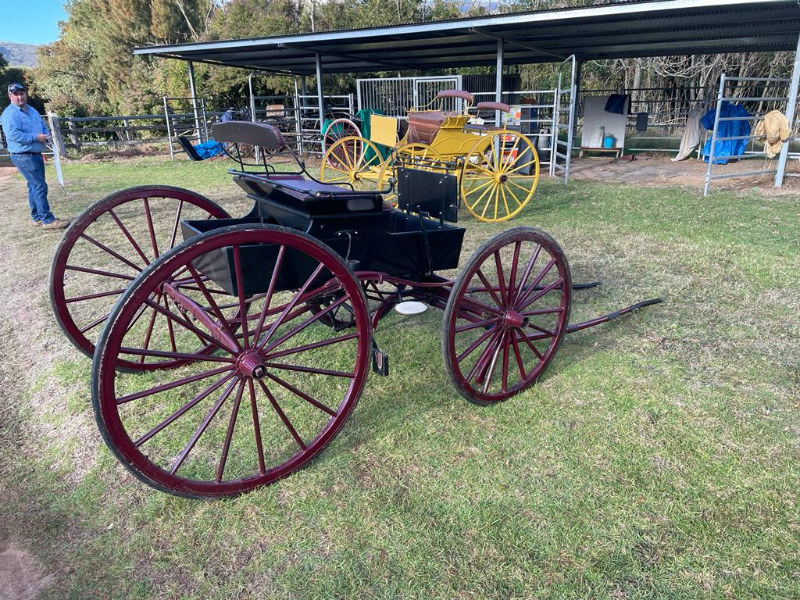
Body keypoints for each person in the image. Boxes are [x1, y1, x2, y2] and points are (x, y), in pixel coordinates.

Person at [1, 82, 69, 230]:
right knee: (39, 185)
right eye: (16, 94)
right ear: (10, 96)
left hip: (35, 154)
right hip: (23, 155)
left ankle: (37, 217)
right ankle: (47, 219)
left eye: (22, 93)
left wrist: (46, 135)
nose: (20, 97)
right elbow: (13, 135)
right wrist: (36, 137)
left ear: (25, 94)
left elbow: (42, 125)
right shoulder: (9, 114)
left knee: (34, 185)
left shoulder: (31, 110)